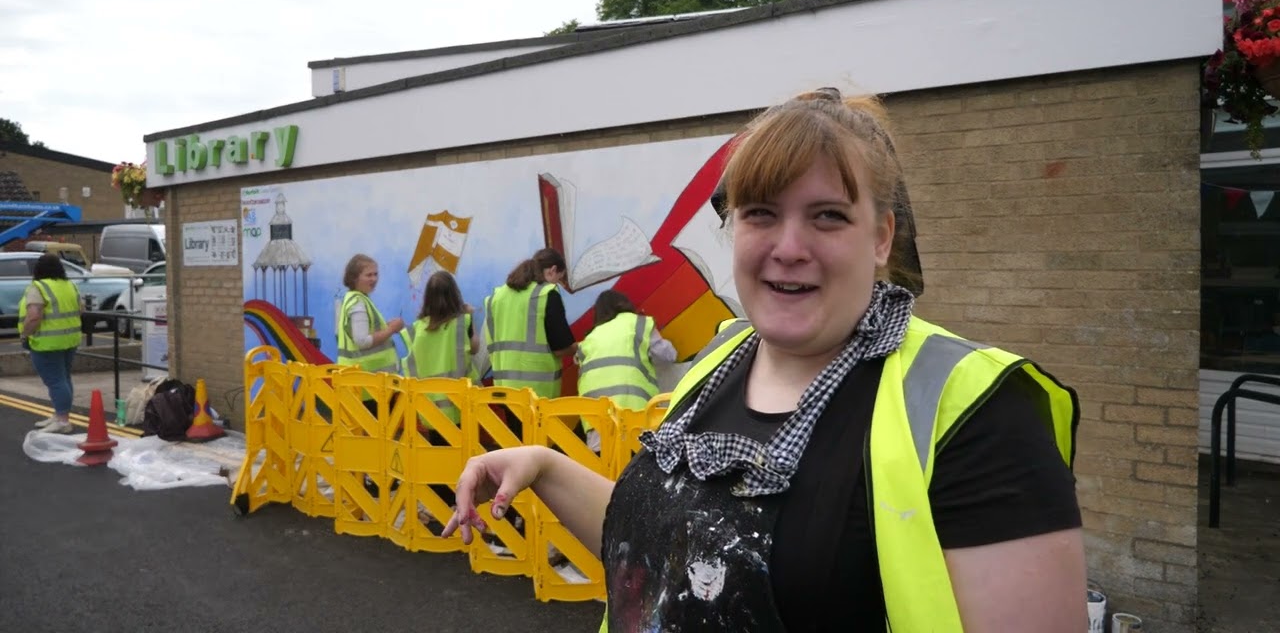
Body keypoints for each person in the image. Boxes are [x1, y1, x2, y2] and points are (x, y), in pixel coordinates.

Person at [443, 88, 1086, 631]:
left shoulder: (977, 412)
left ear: (882, 236)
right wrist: (546, 467)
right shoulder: (717, 362)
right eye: (761, 214)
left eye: (828, 216)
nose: (788, 247)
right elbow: (671, 550)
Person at [576, 289, 676, 453]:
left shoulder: (589, 339)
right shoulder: (639, 323)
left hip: (596, 424)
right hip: (633, 415)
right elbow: (668, 355)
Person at [483, 248, 577, 402]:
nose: (557, 285)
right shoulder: (547, 294)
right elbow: (561, 348)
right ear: (553, 270)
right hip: (538, 394)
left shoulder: (496, 298)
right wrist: (582, 347)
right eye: (559, 279)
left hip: (505, 391)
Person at [402, 270, 480, 425]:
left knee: (436, 448)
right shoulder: (461, 323)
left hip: (430, 409)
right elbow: (475, 348)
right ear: (454, 294)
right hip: (460, 405)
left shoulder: (417, 328)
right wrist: (471, 318)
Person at [22, 253, 83, 435]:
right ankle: (60, 415)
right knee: (63, 378)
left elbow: (34, 316)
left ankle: (63, 421)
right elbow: (81, 309)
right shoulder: (70, 285)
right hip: (70, 340)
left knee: (55, 381)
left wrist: (25, 334)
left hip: (46, 342)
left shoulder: (38, 287)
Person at [337, 254, 406, 412]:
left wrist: (386, 327)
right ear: (354, 278)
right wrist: (391, 329)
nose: (374, 279)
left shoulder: (356, 299)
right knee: (376, 434)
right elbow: (363, 341)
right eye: (368, 275)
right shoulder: (358, 303)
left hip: (366, 384)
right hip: (368, 385)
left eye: (376, 274)